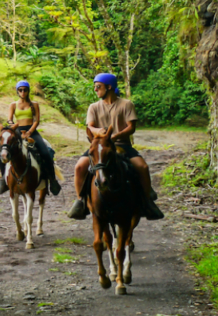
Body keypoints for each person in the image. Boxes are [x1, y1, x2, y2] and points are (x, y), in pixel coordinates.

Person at [67, 72, 166, 221]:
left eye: (98, 87)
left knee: (143, 167)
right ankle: (81, 201)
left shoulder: (126, 104)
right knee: (79, 167)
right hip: (100, 145)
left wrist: (115, 136)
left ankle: (147, 201)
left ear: (109, 87)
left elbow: (131, 127)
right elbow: (90, 126)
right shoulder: (93, 107)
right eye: (95, 87)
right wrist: (97, 132)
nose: (95, 90)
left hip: (122, 144)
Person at [0, 80, 61, 196]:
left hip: (32, 131)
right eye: (20, 90)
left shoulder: (35, 104)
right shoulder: (13, 105)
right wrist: (12, 126)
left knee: (45, 152)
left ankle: (52, 180)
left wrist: (29, 132)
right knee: (2, 152)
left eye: (25, 90)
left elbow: (36, 120)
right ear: (17, 91)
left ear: (28, 91)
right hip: (17, 130)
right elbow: (9, 119)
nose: (22, 92)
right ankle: (3, 179)